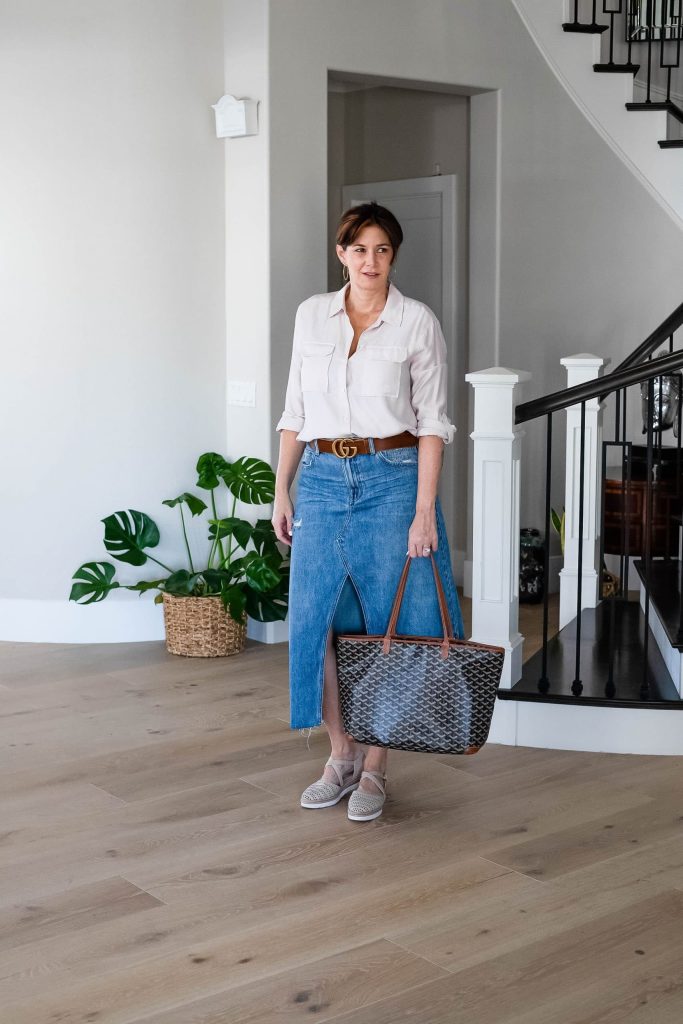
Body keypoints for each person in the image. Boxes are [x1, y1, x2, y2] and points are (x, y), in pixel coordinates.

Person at [272, 201, 464, 822]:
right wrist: (283, 489)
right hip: (324, 480)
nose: (370, 260)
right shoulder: (310, 317)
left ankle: (377, 768)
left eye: (382, 250)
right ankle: (340, 754)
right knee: (316, 620)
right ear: (341, 254)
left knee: (391, 627)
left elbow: (433, 423)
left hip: (393, 478)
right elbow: (295, 412)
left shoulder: (416, 322)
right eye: (359, 249)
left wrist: (425, 511)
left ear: (393, 256)